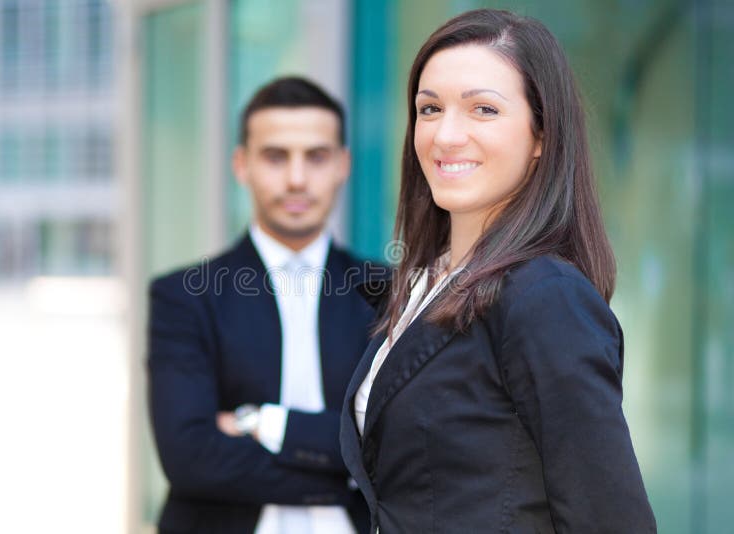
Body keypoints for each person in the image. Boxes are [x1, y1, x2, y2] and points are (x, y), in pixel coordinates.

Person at [339, 9, 657, 533]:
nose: (445, 136)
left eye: (483, 109)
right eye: (430, 108)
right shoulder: (424, 282)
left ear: (541, 137)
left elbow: (611, 520)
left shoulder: (545, 297)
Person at [148, 77, 381, 534]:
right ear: (242, 165)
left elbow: (399, 444)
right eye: (276, 157)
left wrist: (259, 422)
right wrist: (350, 477)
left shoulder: (390, 292)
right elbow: (189, 457)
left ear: (342, 165)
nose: (296, 178)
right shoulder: (184, 295)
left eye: (316, 157)